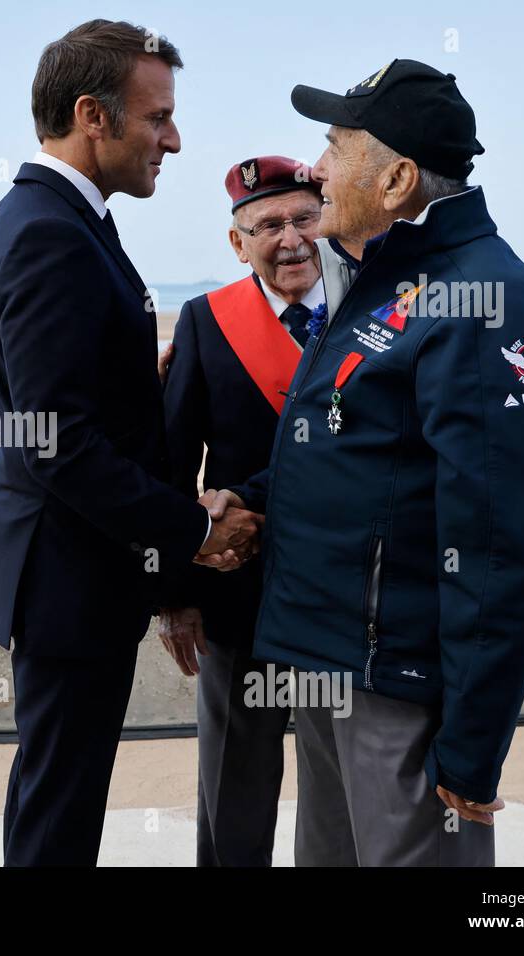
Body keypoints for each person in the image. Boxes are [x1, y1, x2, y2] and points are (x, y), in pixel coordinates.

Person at [211, 59, 524, 866]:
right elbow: (355, 454)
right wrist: (243, 498)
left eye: (337, 143)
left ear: (397, 179)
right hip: (325, 664)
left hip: (400, 691)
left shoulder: (488, 300)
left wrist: (474, 740)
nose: (316, 167)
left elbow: (508, 538)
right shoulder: (391, 281)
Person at [0, 19, 260, 866]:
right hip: (68, 581)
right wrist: (194, 531)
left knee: (60, 800)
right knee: (58, 818)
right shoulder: (48, 233)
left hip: (77, 574)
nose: (173, 139)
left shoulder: (56, 217)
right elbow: (57, 444)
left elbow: (72, 407)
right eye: (157, 117)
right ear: (93, 115)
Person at [157, 156, 324, 865]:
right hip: (236, 588)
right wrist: (173, 594)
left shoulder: (377, 309)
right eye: (267, 226)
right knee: (236, 782)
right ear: (237, 243)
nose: (290, 239)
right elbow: (171, 465)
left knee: (346, 781)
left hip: (347, 591)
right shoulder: (205, 321)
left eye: (304, 218)